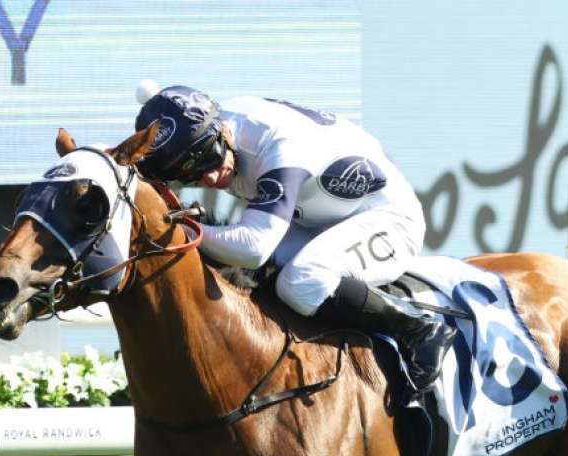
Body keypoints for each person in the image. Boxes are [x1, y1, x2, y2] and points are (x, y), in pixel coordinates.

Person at [131, 82, 455, 395]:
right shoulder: (209, 128)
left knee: (300, 283)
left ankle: (418, 329)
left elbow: (253, 247)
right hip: (314, 217)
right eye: (191, 176)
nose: (211, 177)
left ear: (221, 130)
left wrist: (183, 231)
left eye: (209, 158)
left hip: (385, 217)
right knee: (261, 284)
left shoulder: (276, 142)